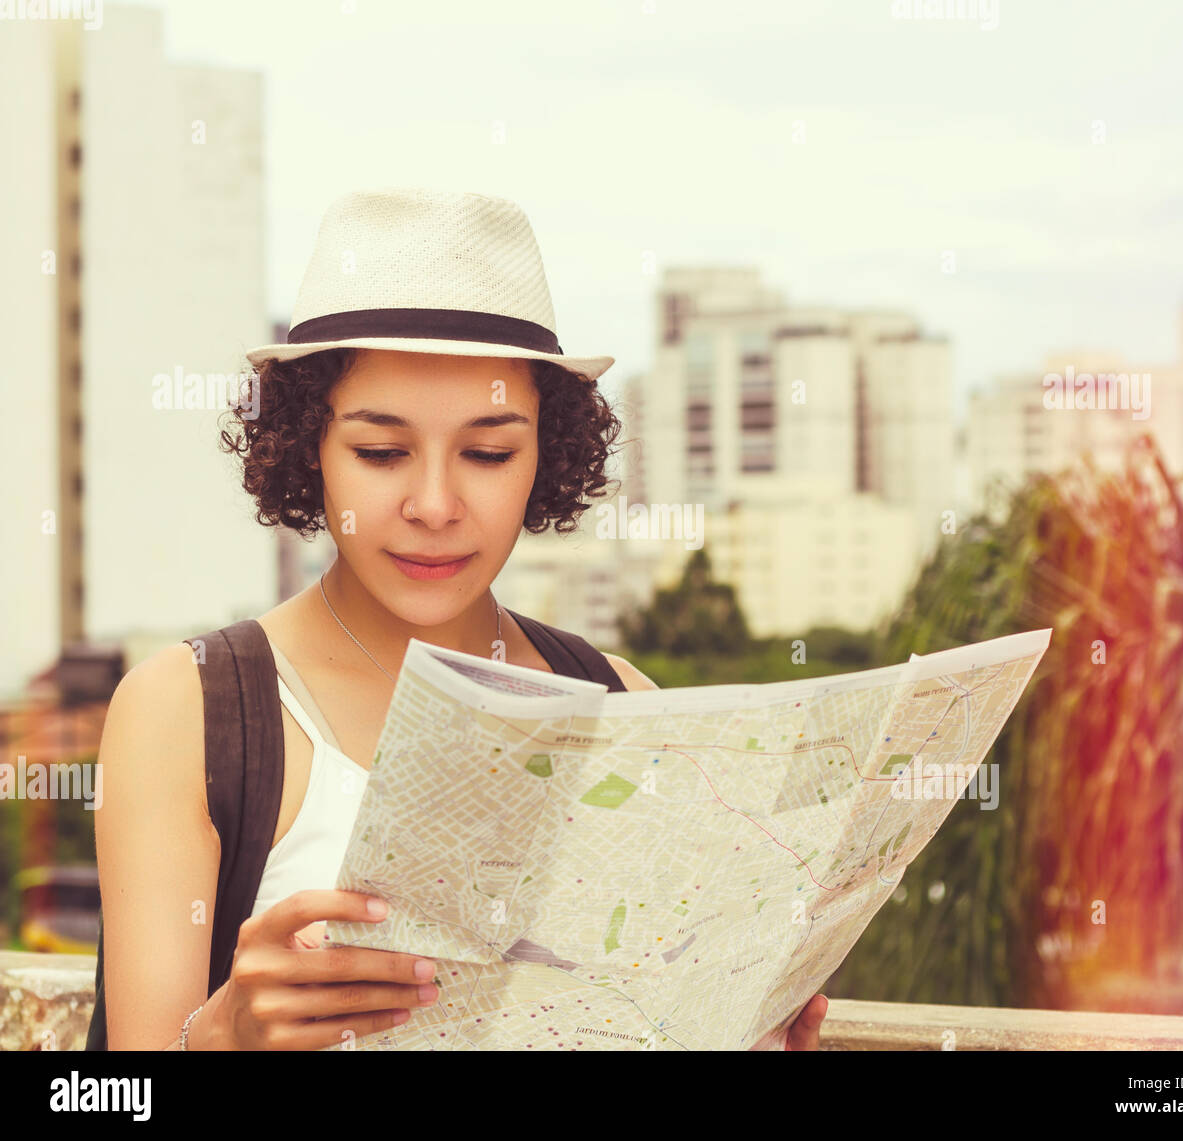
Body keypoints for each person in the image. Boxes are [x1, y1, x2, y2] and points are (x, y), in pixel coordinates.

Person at [93, 189, 828, 1051]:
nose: (436, 504)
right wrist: (219, 1037)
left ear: (547, 455)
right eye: (380, 451)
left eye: (487, 452)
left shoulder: (617, 701)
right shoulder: (193, 713)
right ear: (306, 448)